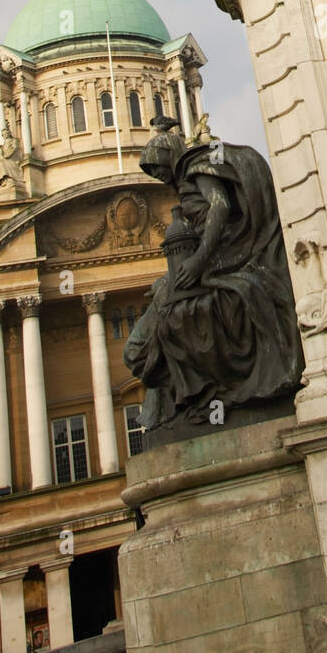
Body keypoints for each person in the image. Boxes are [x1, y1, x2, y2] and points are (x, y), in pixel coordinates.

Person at [124, 120, 302, 429]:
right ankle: (164, 406)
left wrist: (198, 261)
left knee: (173, 312)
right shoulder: (184, 181)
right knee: (163, 299)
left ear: (170, 155)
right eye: (153, 172)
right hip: (211, 257)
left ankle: (178, 402)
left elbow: (219, 208)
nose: (159, 177)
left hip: (227, 255)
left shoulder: (196, 166)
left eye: (158, 168)